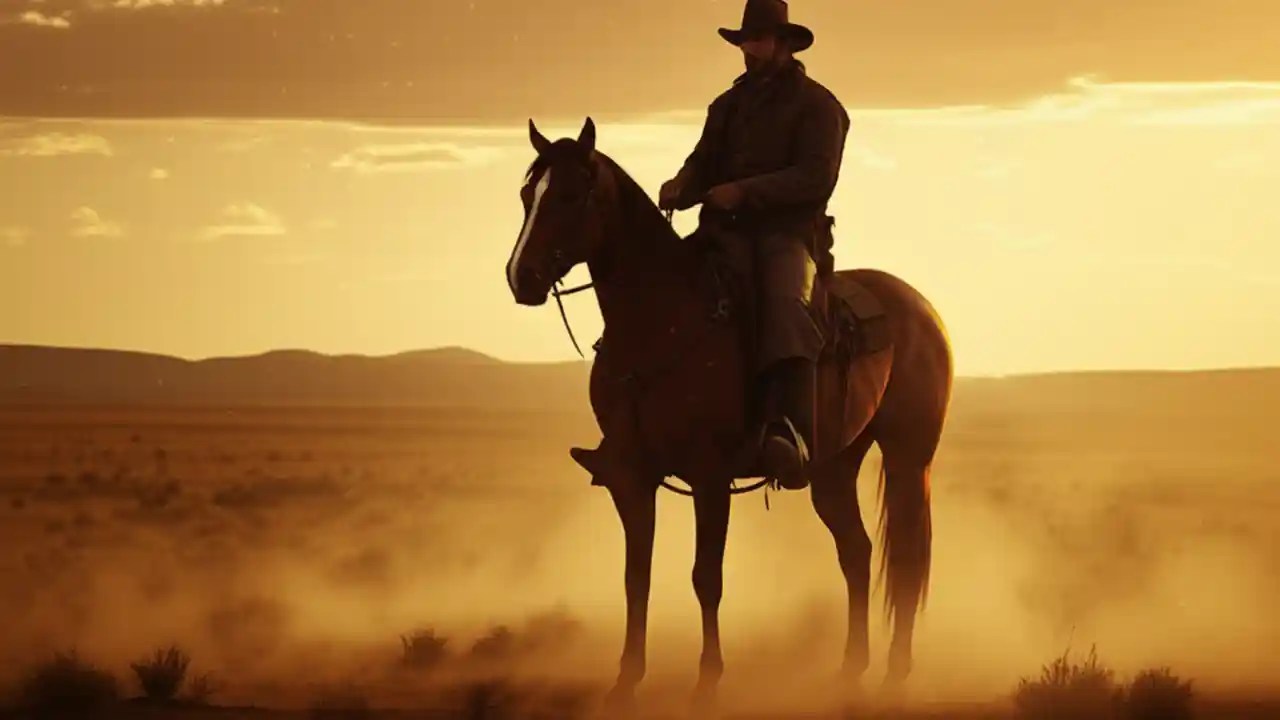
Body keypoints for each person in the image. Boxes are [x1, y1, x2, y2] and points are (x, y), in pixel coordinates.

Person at [658, 0, 850, 490]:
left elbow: (815, 177)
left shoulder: (819, 107)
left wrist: (744, 191)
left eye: (758, 41)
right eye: (745, 41)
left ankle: (791, 431)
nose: (749, 50)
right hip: (724, 232)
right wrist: (682, 184)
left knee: (785, 302)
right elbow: (703, 160)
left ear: (784, 44)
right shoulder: (726, 106)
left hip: (788, 234)